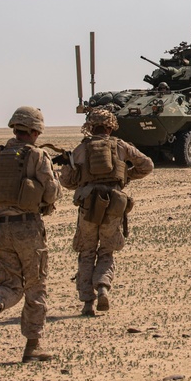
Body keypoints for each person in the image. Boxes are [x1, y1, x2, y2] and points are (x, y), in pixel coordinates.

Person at [0, 106, 61, 362]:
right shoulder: (38, 156)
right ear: (35, 130)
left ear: (14, 127)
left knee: (10, 285)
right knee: (35, 286)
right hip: (28, 228)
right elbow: (52, 193)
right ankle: (33, 346)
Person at [59, 109, 154, 316]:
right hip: (114, 204)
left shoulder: (81, 149)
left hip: (88, 205)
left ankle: (86, 303)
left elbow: (65, 180)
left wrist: (81, 180)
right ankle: (103, 286)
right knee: (106, 250)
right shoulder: (121, 146)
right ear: (111, 127)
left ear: (90, 127)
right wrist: (125, 176)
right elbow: (147, 165)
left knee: (86, 252)